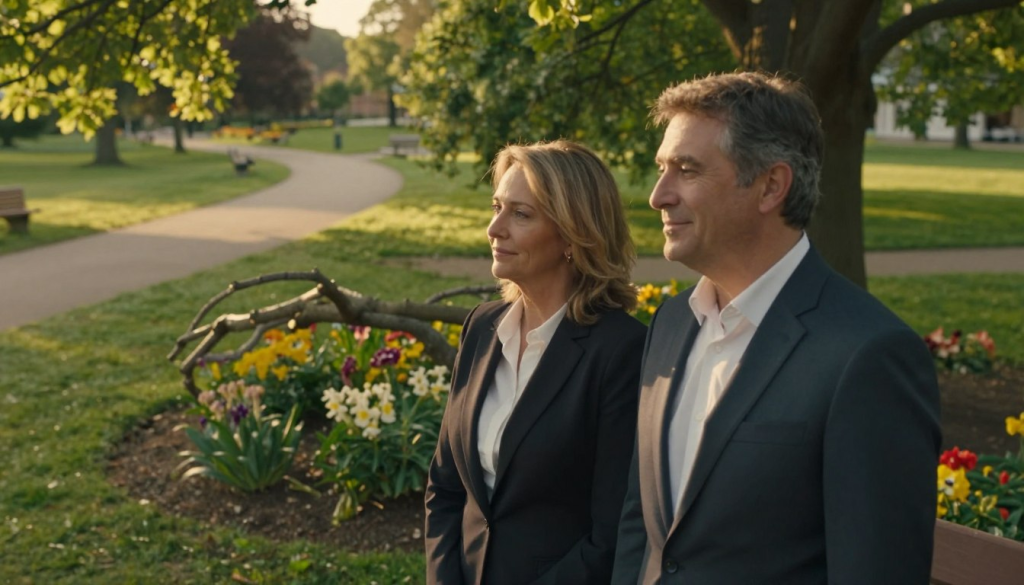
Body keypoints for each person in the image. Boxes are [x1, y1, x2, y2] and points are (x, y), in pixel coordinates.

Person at [611, 72, 941, 585]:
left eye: (687, 170)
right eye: (662, 168)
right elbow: (641, 525)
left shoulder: (868, 355)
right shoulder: (672, 323)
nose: (658, 195)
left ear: (770, 186)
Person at [425, 140, 647, 585]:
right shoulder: (482, 327)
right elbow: (446, 487)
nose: (494, 228)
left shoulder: (622, 351)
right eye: (496, 207)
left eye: (520, 214)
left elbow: (612, 536)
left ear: (573, 235)